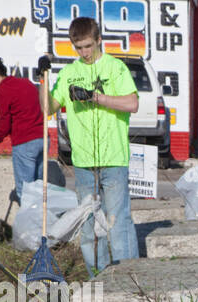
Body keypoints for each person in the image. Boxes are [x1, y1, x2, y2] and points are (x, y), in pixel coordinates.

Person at [39, 15, 140, 275]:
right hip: (83, 162)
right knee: (88, 225)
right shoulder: (70, 73)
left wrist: (96, 97)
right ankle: (99, 277)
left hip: (114, 158)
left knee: (117, 223)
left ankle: (128, 276)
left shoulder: (115, 68)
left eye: (88, 46)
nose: (84, 52)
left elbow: (132, 104)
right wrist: (43, 79)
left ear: (98, 40)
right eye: (78, 47)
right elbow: (47, 108)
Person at [0, 53, 44, 205]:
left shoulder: (1, 92)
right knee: (39, 187)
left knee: (25, 191)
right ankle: (42, 222)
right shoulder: (26, 83)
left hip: (24, 142)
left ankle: (29, 225)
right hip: (42, 140)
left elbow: (4, 124)